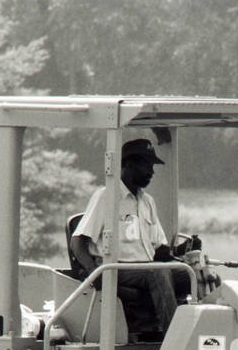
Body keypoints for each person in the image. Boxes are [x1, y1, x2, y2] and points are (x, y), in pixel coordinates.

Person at [70, 138, 185, 332]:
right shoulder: (106, 197)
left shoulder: (147, 201)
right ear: (129, 164)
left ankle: (185, 333)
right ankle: (174, 340)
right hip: (117, 268)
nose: (152, 172)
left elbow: (160, 248)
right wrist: (92, 272)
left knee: (191, 274)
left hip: (146, 268)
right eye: (147, 166)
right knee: (158, 272)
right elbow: (77, 242)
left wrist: (183, 255)